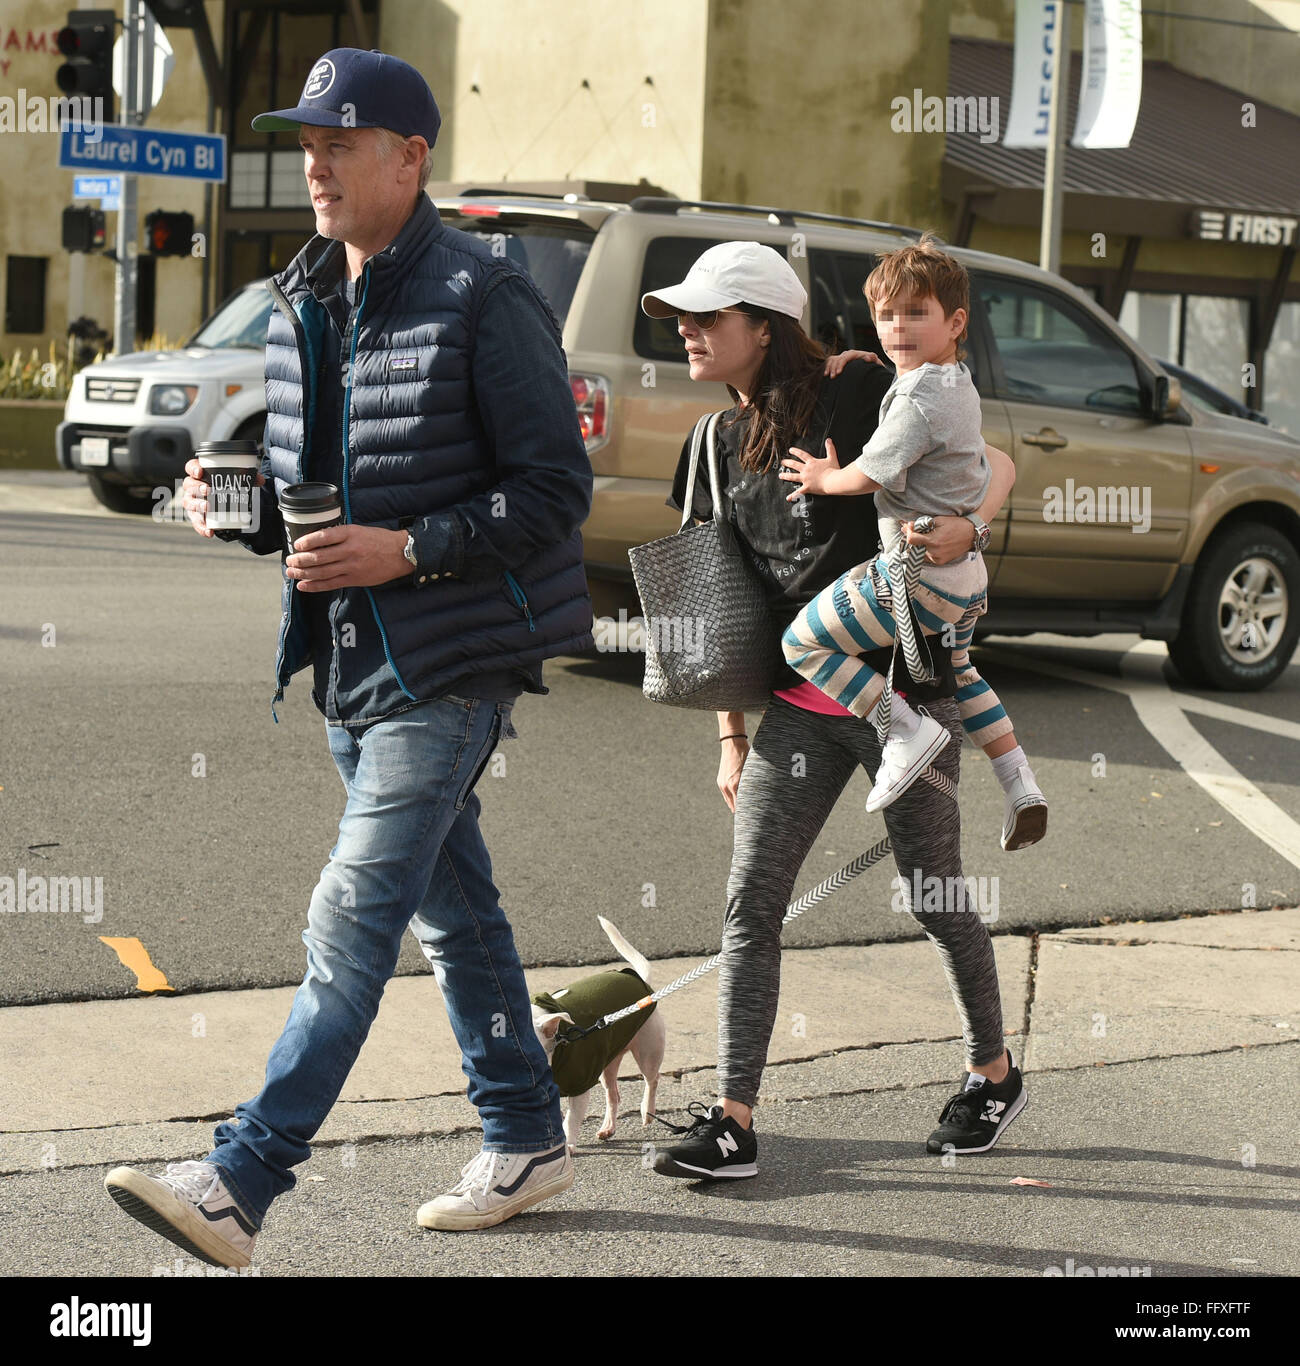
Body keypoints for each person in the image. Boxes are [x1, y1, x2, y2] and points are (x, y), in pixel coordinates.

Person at [104, 48, 593, 1265]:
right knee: (459, 920)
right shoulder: (302, 294)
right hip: (345, 667)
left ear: (411, 157)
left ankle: (238, 1179)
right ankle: (527, 1130)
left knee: (351, 920)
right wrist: (260, 515)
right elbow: (324, 484)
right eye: (305, 141)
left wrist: (405, 552)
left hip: (449, 659)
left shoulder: (486, 294)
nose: (312, 163)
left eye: (340, 141)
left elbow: (552, 491)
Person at [639, 241, 1028, 1181]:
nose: (687, 333)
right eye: (681, 319)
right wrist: (729, 738)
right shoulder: (709, 442)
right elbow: (709, 597)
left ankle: (994, 1072)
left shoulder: (859, 390)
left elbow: (997, 462)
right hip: (797, 708)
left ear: (764, 327)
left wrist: (968, 530)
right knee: (751, 904)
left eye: (707, 318)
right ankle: (732, 1120)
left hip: (908, 692)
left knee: (935, 897)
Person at [779, 234, 1047, 849]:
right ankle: (1020, 783)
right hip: (964, 582)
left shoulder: (920, 401)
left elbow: (870, 473)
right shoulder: (953, 381)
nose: (897, 327)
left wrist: (822, 478)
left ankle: (901, 728)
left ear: (955, 323)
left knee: (803, 645)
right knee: (961, 671)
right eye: (886, 315)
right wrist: (876, 364)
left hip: (914, 579)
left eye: (915, 314)